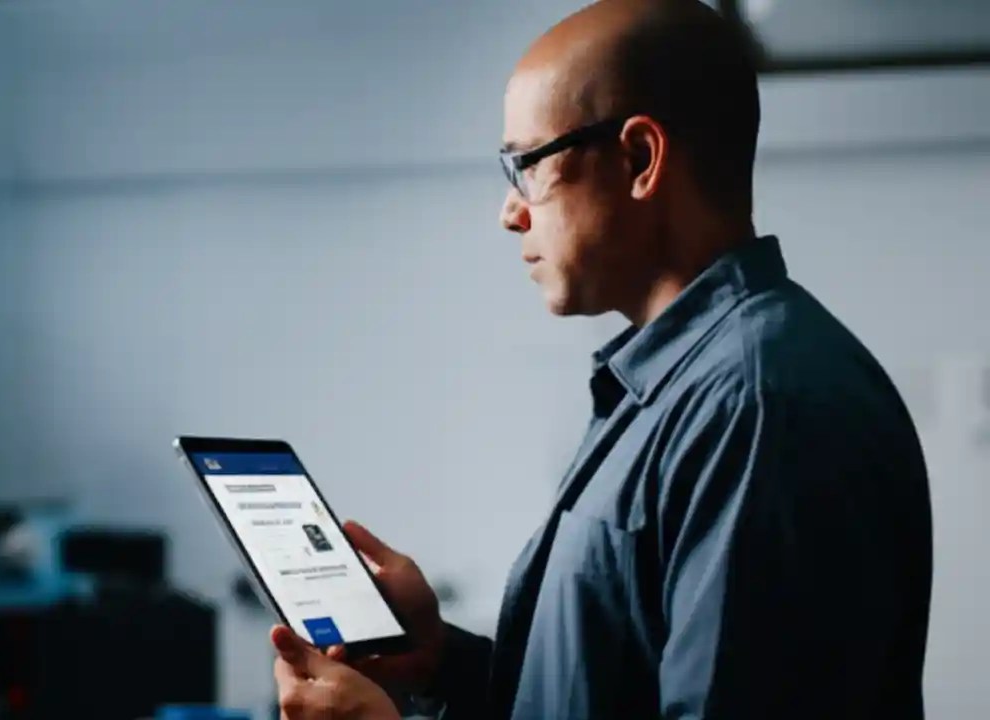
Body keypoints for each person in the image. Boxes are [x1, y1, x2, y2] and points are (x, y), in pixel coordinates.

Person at [270, 0, 933, 718]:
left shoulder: (755, 407)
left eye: (525, 166)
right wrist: (440, 661)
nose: (510, 212)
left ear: (639, 159)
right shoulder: (680, 390)